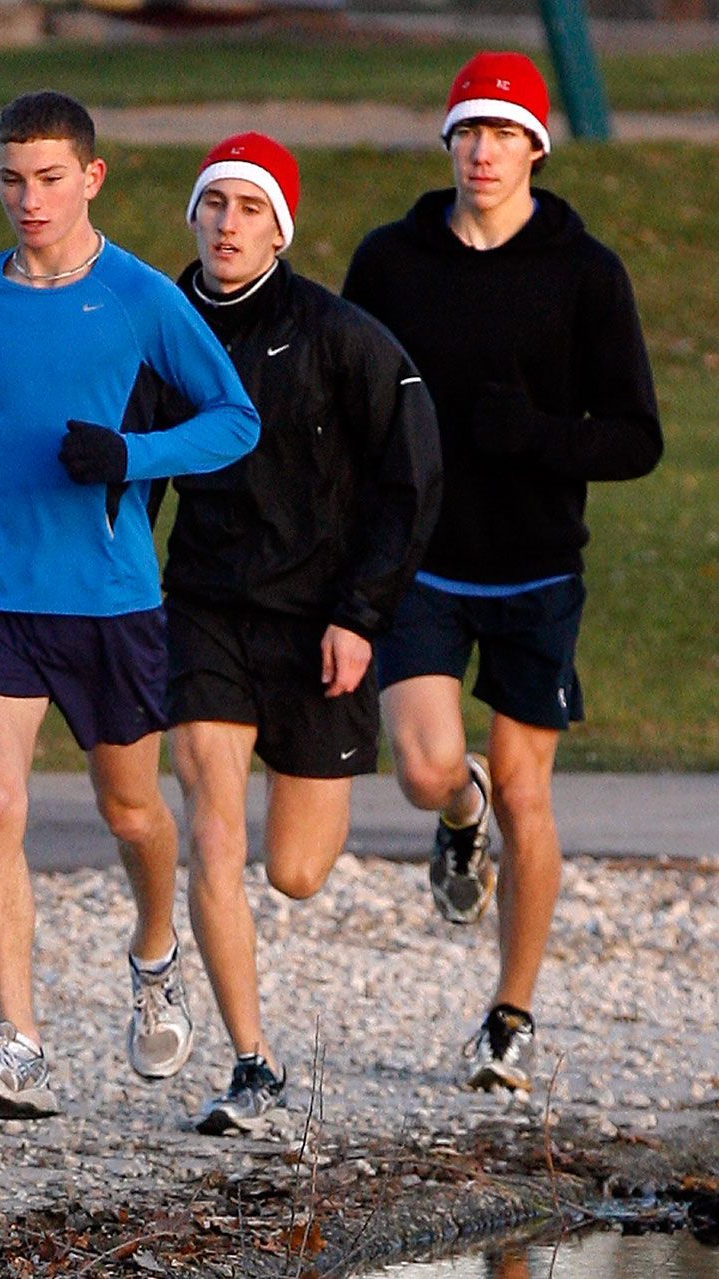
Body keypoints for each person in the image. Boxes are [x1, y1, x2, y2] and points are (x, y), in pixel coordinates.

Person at [0, 91, 261, 1119]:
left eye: (46, 179)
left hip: (112, 598)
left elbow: (235, 419)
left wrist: (132, 454)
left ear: (91, 178)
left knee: (131, 811)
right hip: (0, 594)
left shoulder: (137, 297)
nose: (26, 200)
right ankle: (16, 1039)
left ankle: (155, 951)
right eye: (9, 179)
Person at [342, 53, 662, 1091]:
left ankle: (508, 1017)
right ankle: (454, 822)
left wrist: (536, 437)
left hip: (533, 569)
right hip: (425, 562)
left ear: (535, 148)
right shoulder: (390, 261)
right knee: (428, 770)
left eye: (503, 132)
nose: (482, 151)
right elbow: (346, 401)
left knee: (528, 790)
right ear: (448, 144)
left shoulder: (586, 271)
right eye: (466, 131)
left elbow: (636, 439)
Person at [161, 133, 441, 1133]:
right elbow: (130, 459)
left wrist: (361, 616)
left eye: (248, 208)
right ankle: (252, 1063)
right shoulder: (164, 323)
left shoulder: (341, 335)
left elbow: (411, 480)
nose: (227, 224)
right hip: (203, 611)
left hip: (323, 623)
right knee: (211, 830)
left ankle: (465, 794)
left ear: (280, 226)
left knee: (295, 871)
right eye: (213, 205)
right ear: (192, 217)